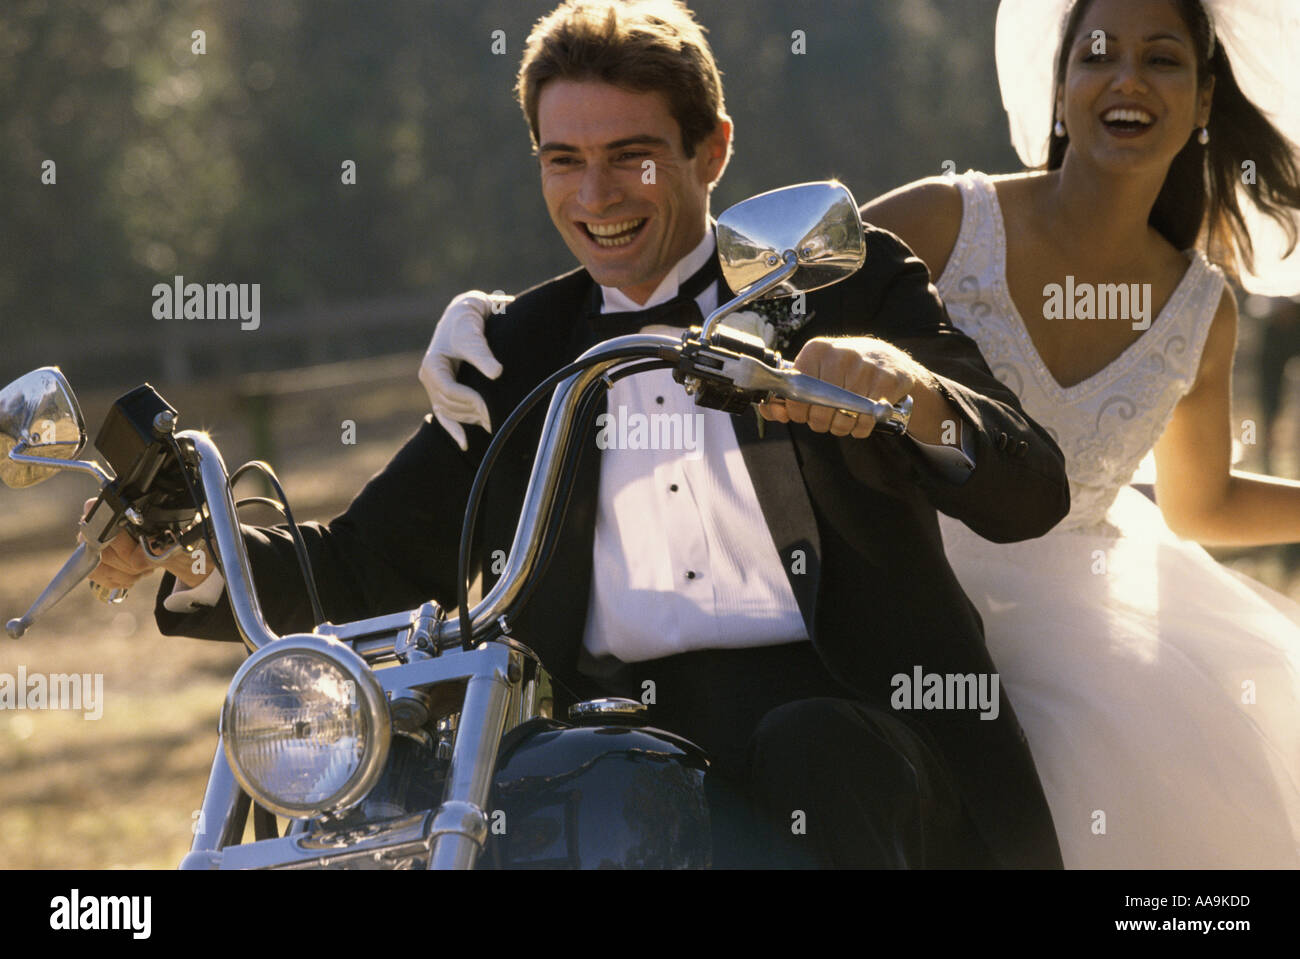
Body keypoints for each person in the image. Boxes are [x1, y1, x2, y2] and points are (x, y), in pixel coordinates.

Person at [89, 0, 1072, 867]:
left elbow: (1028, 485)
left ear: (712, 149)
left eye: (631, 156)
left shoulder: (839, 283)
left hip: (848, 716)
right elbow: (367, 557)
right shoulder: (515, 345)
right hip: (607, 736)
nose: (595, 196)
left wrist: (909, 391)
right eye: (565, 160)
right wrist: (195, 552)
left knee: (815, 750)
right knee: (372, 786)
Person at [424, 0, 1300, 868]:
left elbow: (1198, 501)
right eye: (1096, 56)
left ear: (1206, 95)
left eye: (1164, 60)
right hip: (885, 567)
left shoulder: (1201, 305)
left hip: (1046, 607)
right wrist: (501, 316)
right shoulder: (946, 218)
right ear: (1058, 87)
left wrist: (924, 399)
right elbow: (758, 281)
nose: (1126, 81)